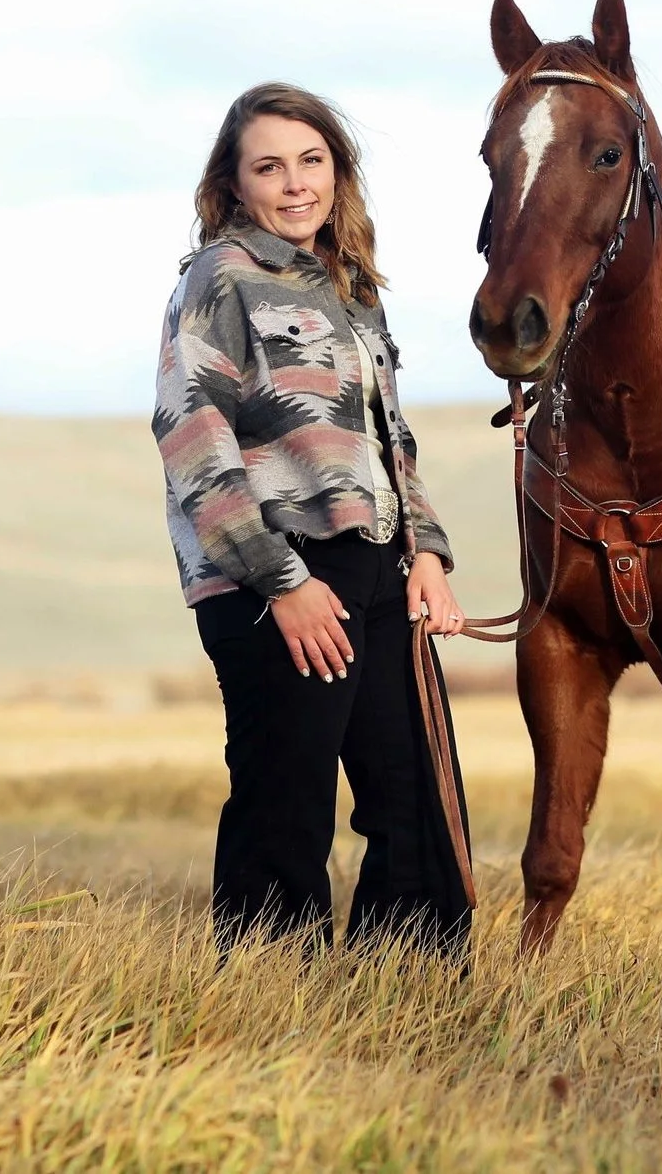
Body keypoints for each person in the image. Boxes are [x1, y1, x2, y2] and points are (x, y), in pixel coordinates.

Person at [153, 83, 472, 957]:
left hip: (374, 565)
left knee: (417, 796)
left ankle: (408, 1004)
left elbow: (387, 443)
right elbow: (190, 434)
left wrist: (428, 555)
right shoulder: (221, 278)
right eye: (270, 167)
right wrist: (280, 582)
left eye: (311, 161)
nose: (295, 184)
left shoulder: (352, 287)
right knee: (286, 799)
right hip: (273, 573)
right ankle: (267, 1009)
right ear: (235, 181)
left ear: (338, 169)